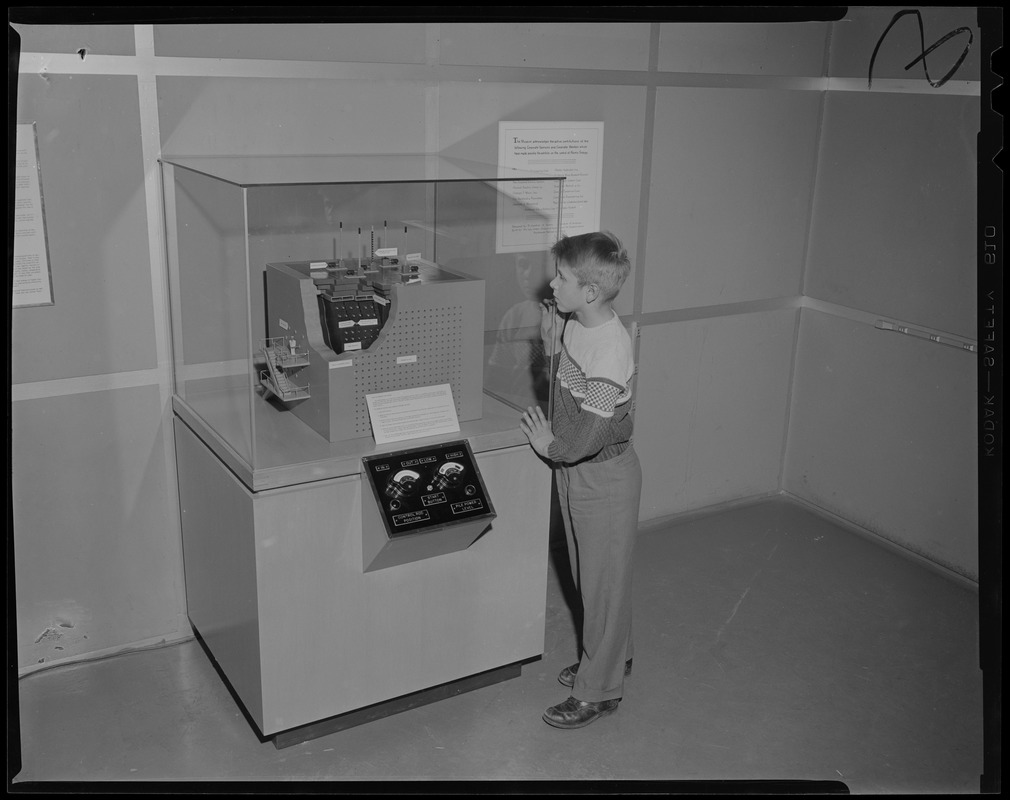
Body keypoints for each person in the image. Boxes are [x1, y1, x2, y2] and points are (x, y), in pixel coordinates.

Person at [519, 230, 642, 729]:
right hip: (579, 472)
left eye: (563, 277)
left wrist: (550, 448)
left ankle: (600, 690)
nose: (553, 282)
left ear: (590, 291)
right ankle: (612, 656)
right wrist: (550, 348)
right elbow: (567, 395)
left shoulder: (610, 348)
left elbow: (589, 432)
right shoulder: (574, 325)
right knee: (590, 579)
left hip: (602, 475)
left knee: (601, 583)